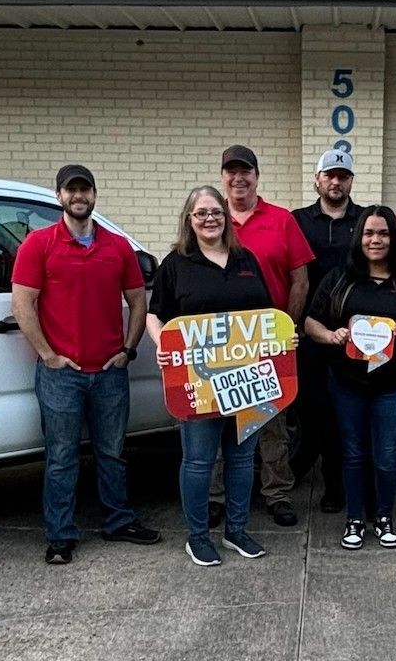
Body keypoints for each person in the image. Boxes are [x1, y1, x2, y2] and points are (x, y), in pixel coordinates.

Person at [10, 162, 160, 566]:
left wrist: (128, 350)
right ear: (59, 196)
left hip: (109, 372)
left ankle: (119, 521)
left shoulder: (116, 247)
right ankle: (60, 535)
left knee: (112, 452)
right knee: (61, 457)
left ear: (94, 195)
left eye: (85, 190)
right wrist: (47, 354)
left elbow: (138, 300)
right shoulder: (38, 245)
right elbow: (22, 303)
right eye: (71, 190)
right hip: (62, 375)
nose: (79, 197)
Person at [146, 185, 272, 568]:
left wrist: (282, 341)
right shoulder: (176, 264)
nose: (209, 218)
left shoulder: (245, 259)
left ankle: (236, 530)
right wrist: (161, 343)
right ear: (190, 219)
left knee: (242, 459)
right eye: (201, 213)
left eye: (215, 211)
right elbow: (156, 314)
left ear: (226, 216)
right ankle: (197, 537)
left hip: (246, 379)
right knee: (199, 460)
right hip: (199, 381)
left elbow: (265, 316)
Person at [303, 205, 396, 551]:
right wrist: (331, 336)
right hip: (347, 383)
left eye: (384, 233)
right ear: (359, 237)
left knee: (388, 455)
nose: (376, 240)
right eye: (369, 233)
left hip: (393, 387)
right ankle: (355, 519)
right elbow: (311, 322)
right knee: (353, 453)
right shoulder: (339, 279)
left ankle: (384, 517)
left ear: (395, 238)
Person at [219, 145, 313, 527]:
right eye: (231, 171)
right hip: (221, 344)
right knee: (221, 422)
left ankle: (276, 494)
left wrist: (285, 328)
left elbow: (300, 279)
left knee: (272, 423)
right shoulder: (210, 217)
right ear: (223, 176)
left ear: (257, 176)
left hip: (268, 341)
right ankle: (216, 496)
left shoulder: (281, 220)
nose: (239, 178)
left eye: (246, 171)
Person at [291, 141, 364, 514]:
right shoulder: (297, 221)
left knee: (344, 413)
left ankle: (335, 485)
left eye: (343, 176)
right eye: (330, 175)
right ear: (317, 180)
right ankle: (300, 467)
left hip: (356, 336)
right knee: (309, 408)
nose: (336, 182)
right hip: (309, 333)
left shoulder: (367, 220)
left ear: (351, 181)